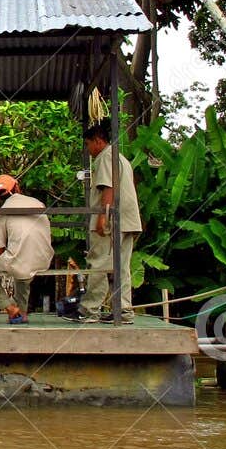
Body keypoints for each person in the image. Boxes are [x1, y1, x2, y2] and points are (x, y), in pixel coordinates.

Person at [0, 174, 55, 324]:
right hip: (44, 259)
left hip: (21, 262)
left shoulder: (1, 213)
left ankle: (9, 307)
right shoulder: (38, 203)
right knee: (21, 268)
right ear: (17, 187)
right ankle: (21, 312)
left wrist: (9, 262)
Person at [82, 120, 142, 324]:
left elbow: (108, 188)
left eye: (88, 144)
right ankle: (123, 310)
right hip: (127, 219)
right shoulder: (121, 158)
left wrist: (102, 217)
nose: (88, 150)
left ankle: (90, 310)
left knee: (99, 262)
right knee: (122, 266)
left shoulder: (105, 157)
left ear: (98, 141)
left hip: (113, 219)